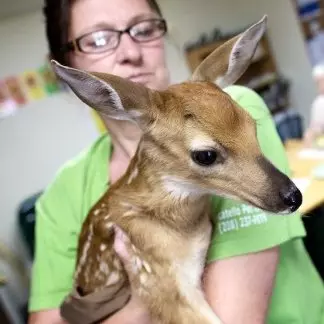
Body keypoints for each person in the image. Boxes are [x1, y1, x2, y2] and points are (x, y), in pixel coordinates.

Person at [28, 0, 324, 323]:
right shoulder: (62, 194)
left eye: (144, 28)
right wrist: (148, 296)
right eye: (98, 39)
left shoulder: (230, 112)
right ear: (66, 62)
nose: (131, 50)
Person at [304, 63, 324, 147]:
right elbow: (315, 128)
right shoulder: (318, 103)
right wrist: (309, 133)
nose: (320, 85)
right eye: (317, 82)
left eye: (322, 80)